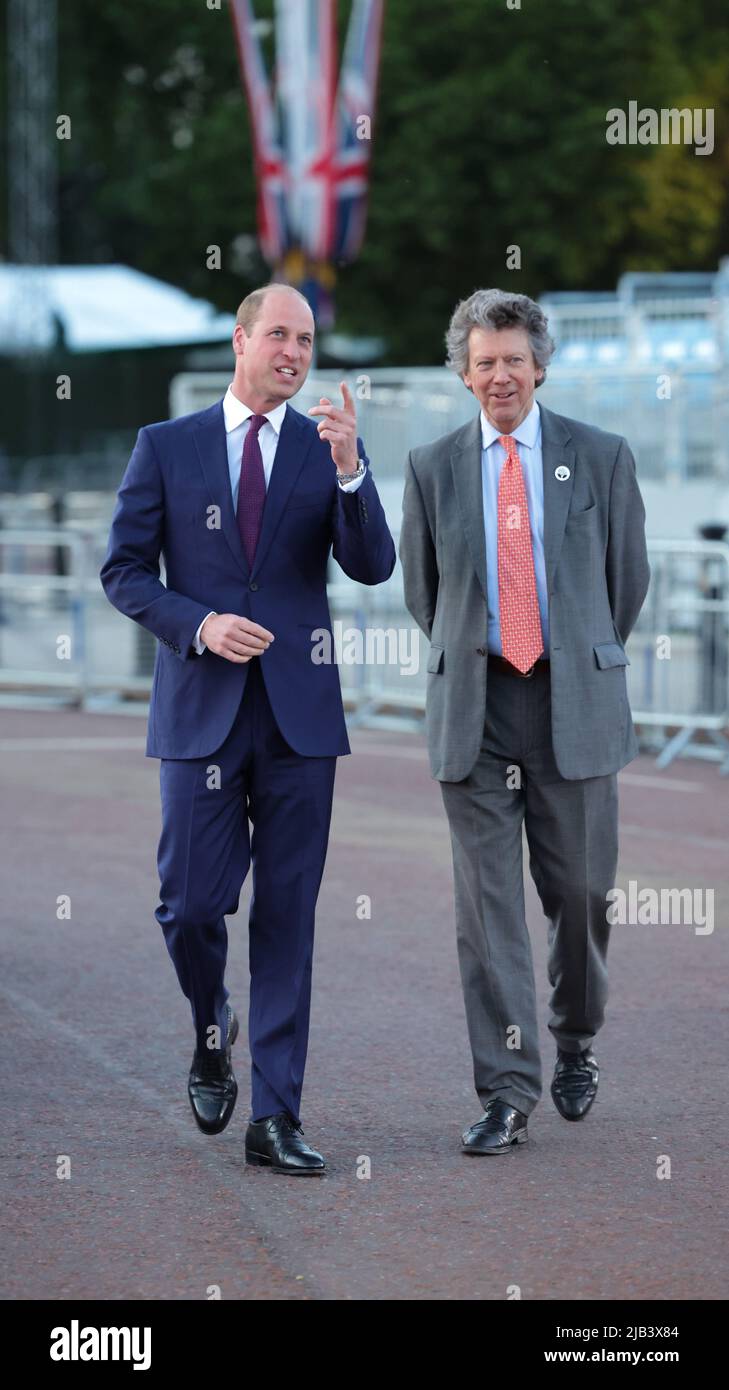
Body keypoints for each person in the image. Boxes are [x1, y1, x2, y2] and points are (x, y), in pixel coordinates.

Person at [100, 284, 395, 1174]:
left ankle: (276, 1116)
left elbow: (371, 565)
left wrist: (352, 473)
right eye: (279, 335)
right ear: (241, 340)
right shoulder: (168, 447)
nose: (295, 353)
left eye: (306, 340)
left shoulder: (325, 444)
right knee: (190, 905)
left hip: (301, 721)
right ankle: (208, 1029)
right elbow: (122, 570)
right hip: (201, 713)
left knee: (288, 917)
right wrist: (197, 625)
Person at [399, 289, 650, 1155]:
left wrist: (570, 658)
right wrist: (490, 653)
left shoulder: (602, 457)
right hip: (474, 710)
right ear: (462, 375)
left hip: (571, 704)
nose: (498, 374)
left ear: (538, 366)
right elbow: (423, 595)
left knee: (579, 896)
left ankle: (575, 1038)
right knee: (487, 912)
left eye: (512, 359)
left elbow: (624, 585)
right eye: (483, 362)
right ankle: (507, 1090)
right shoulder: (432, 466)